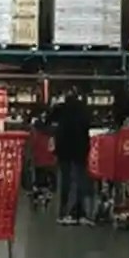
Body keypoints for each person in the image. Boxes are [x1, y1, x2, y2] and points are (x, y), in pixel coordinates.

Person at [47, 89, 94, 226]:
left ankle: (64, 213)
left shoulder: (61, 109)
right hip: (80, 150)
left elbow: (49, 120)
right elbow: (89, 125)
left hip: (64, 150)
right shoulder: (84, 109)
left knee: (66, 181)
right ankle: (80, 213)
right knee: (80, 180)